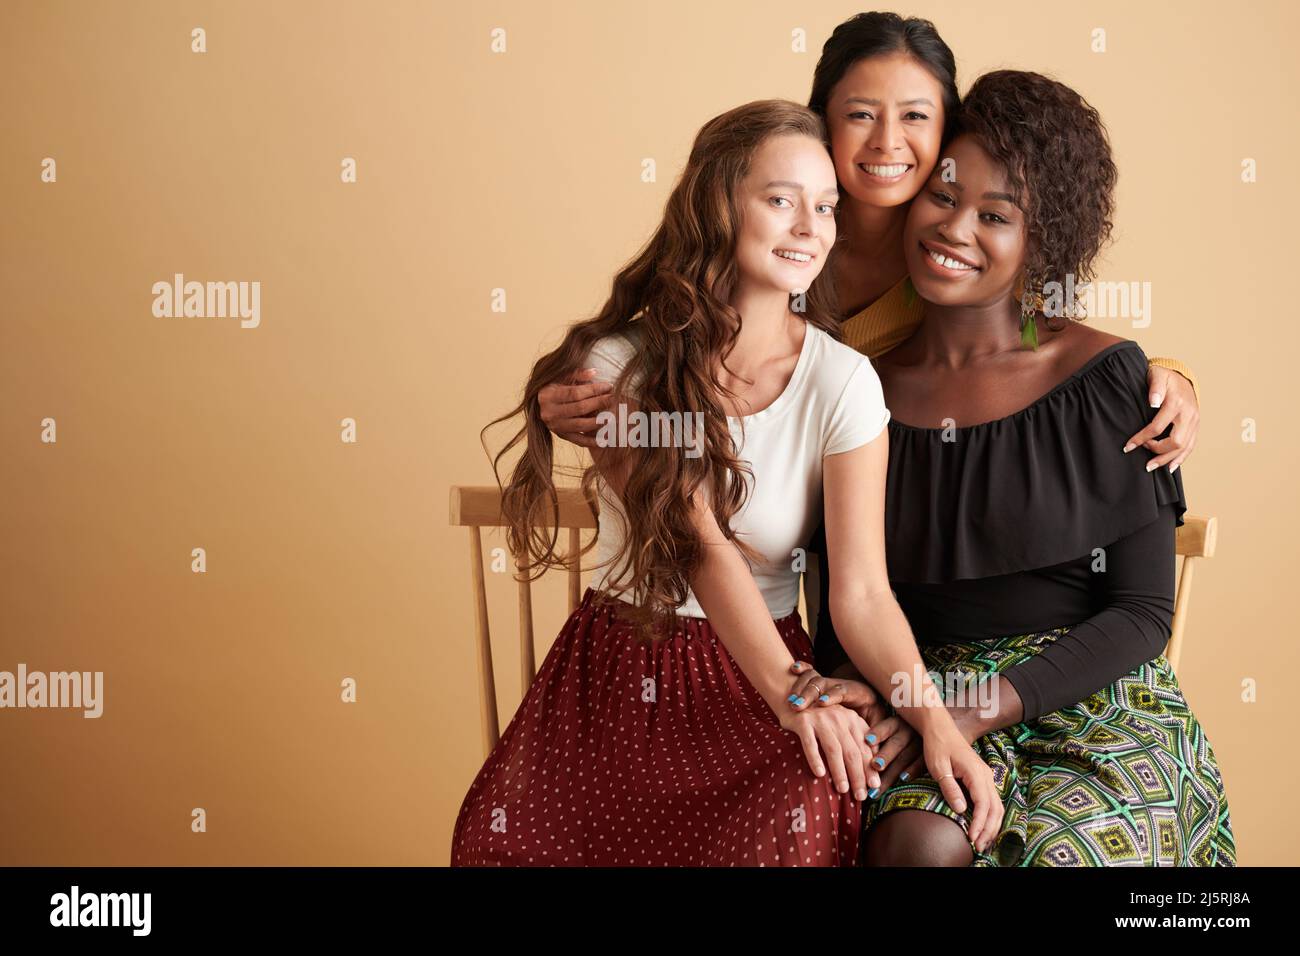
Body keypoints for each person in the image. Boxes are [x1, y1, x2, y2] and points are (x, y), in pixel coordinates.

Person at [451, 99, 1000, 866]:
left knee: (809, 808)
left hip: (757, 675)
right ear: (719, 204)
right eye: (781, 201)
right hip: (617, 670)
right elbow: (698, 543)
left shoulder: (841, 383)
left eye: (826, 207)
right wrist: (794, 694)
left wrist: (937, 724)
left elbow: (863, 593)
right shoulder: (619, 368)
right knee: (506, 836)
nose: (810, 227)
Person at [808, 70, 1236, 866]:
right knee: (914, 845)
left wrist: (971, 713)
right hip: (920, 690)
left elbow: (1142, 613)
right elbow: (843, 601)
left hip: (1092, 692)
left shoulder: (1109, 380)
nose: (956, 227)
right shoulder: (852, 388)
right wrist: (909, 703)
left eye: (996, 216)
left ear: (1040, 241)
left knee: (1069, 855)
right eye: (942, 195)